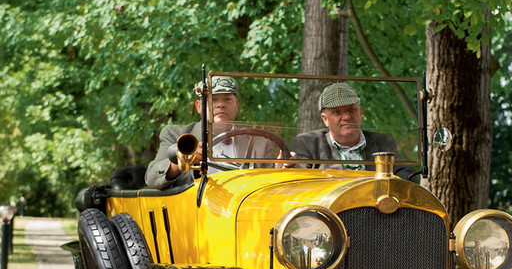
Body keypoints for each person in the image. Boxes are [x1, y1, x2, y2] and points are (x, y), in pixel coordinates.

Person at [145, 76, 277, 190]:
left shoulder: (260, 141)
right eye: (213, 100)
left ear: (237, 105)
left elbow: (270, 185)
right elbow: (152, 178)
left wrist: (281, 169)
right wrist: (183, 159)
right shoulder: (176, 135)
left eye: (227, 99)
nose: (221, 105)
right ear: (199, 106)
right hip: (197, 208)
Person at [289, 82, 417, 181]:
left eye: (351, 110)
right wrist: (285, 168)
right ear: (325, 119)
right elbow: (297, 182)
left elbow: (407, 177)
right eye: (337, 112)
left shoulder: (383, 142)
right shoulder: (307, 144)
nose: (346, 117)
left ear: (360, 112)